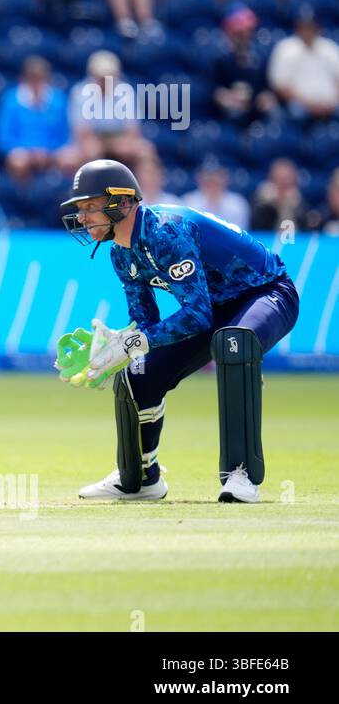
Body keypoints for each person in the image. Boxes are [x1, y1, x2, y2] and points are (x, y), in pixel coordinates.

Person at [56, 159, 298, 504]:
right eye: (80, 209)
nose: (82, 218)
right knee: (138, 371)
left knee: (234, 343)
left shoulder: (165, 231)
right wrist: (119, 346)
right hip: (216, 307)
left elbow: (197, 315)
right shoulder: (121, 255)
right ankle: (139, 479)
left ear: (122, 201)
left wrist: (137, 341)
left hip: (268, 292)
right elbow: (146, 321)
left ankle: (241, 474)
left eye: (91, 207)